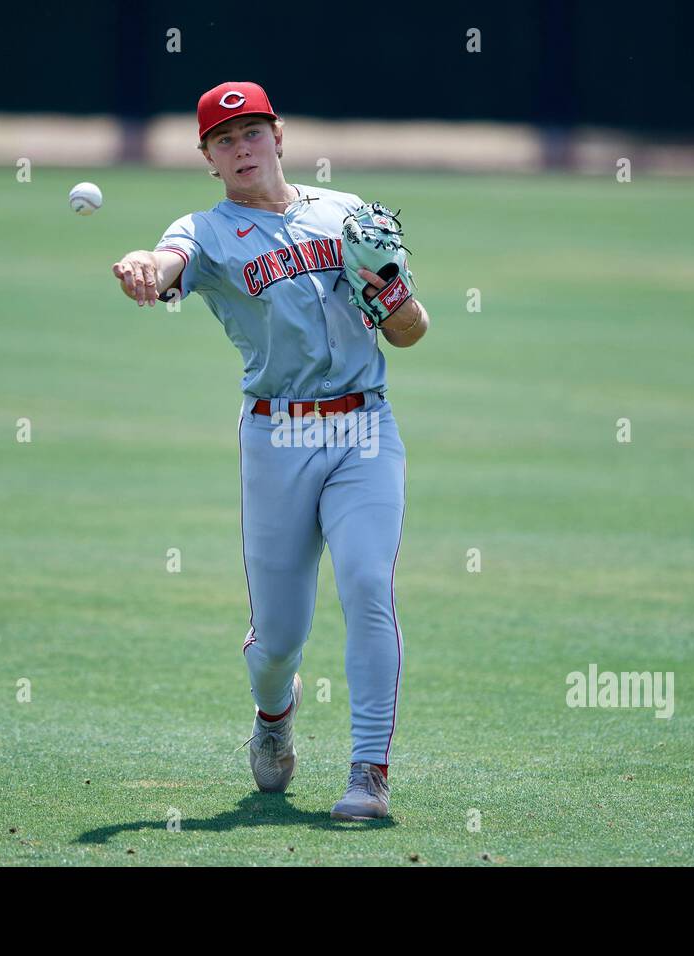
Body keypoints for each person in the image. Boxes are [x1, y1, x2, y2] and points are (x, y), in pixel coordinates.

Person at [110, 81, 430, 820]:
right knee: (280, 637)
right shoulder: (208, 229)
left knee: (367, 590)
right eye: (224, 141)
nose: (241, 148)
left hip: (363, 429)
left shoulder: (348, 213)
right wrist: (140, 268)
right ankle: (274, 716)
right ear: (208, 159)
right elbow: (166, 262)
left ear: (279, 137)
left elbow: (411, 332)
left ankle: (367, 776)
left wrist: (390, 292)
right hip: (277, 434)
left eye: (252, 133)